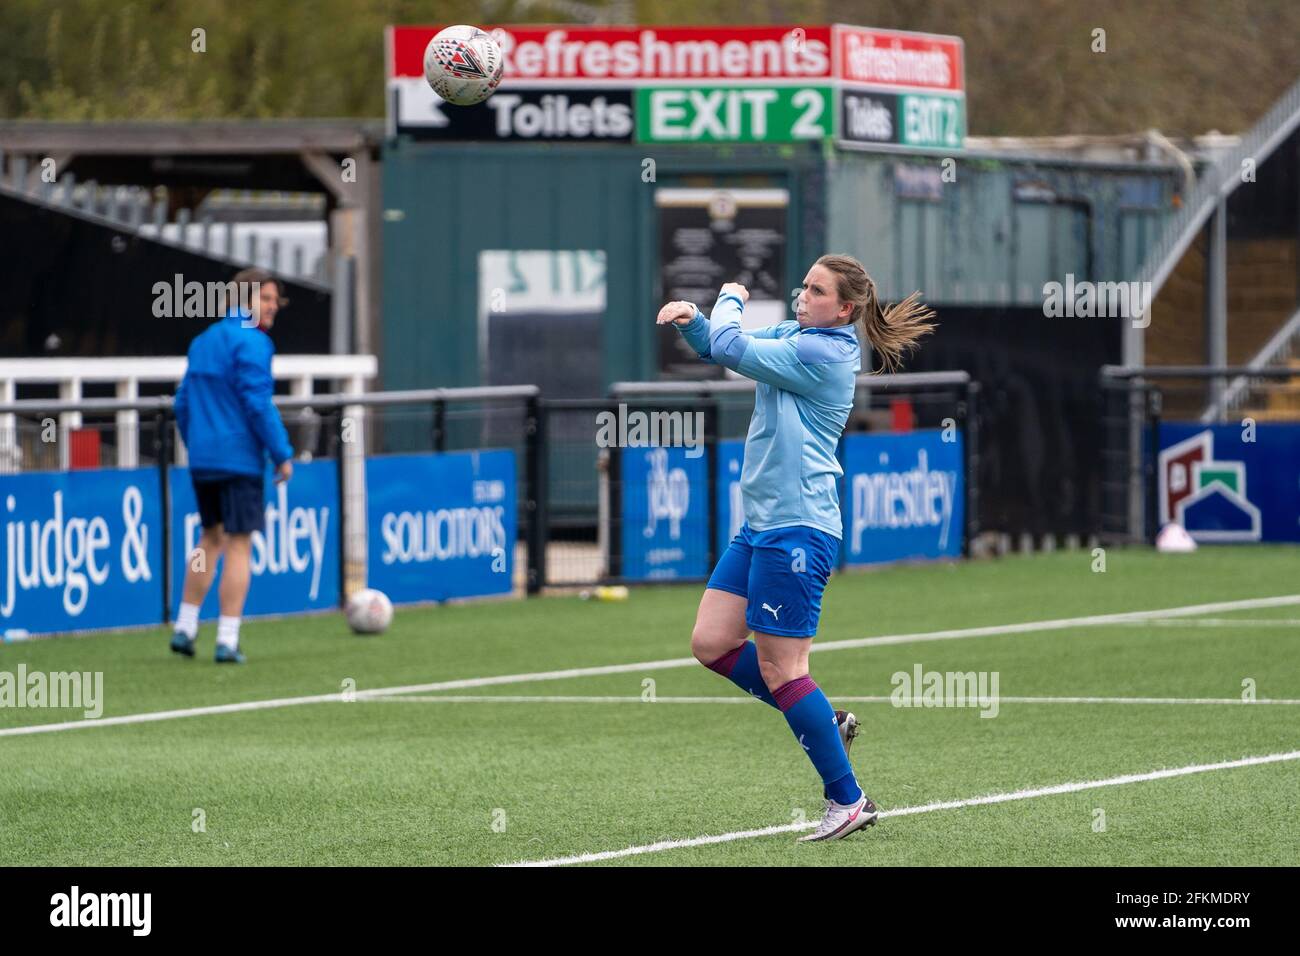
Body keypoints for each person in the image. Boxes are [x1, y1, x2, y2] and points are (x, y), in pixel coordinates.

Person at [657, 254, 935, 841]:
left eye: (816, 290)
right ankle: (823, 722)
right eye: (803, 285)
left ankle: (848, 800)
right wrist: (692, 321)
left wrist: (728, 294)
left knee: (783, 668)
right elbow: (719, 345)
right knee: (711, 642)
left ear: (846, 309)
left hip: (799, 529)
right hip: (761, 523)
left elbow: (733, 347)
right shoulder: (796, 333)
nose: (801, 296)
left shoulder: (824, 353)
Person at [170, 268, 294, 663]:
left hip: (204, 459)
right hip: (239, 460)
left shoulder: (203, 341)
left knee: (209, 538)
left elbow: (182, 404)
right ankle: (227, 637)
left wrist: (198, 446)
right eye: (267, 299)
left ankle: (185, 627)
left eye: (276, 301)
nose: (273, 307)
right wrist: (281, 453)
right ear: (245, 299)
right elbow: (258, 404)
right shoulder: (254, 343)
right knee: (239, 543)